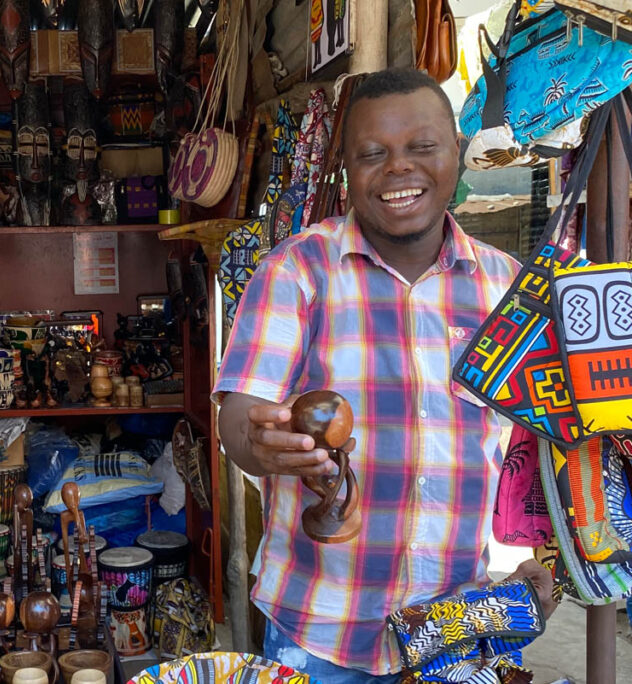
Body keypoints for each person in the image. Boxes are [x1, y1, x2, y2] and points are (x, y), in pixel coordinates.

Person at [214, 68, 558, 683]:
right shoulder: (297, 273)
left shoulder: (507, 288)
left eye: (422, 147)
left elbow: (541, 442)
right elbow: (239, 418)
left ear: (457, 150)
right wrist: (262, 444)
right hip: (318, 630)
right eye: (373, 154)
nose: (399, 169)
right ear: (346, 168)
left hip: (457, 629)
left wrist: (544, 553)